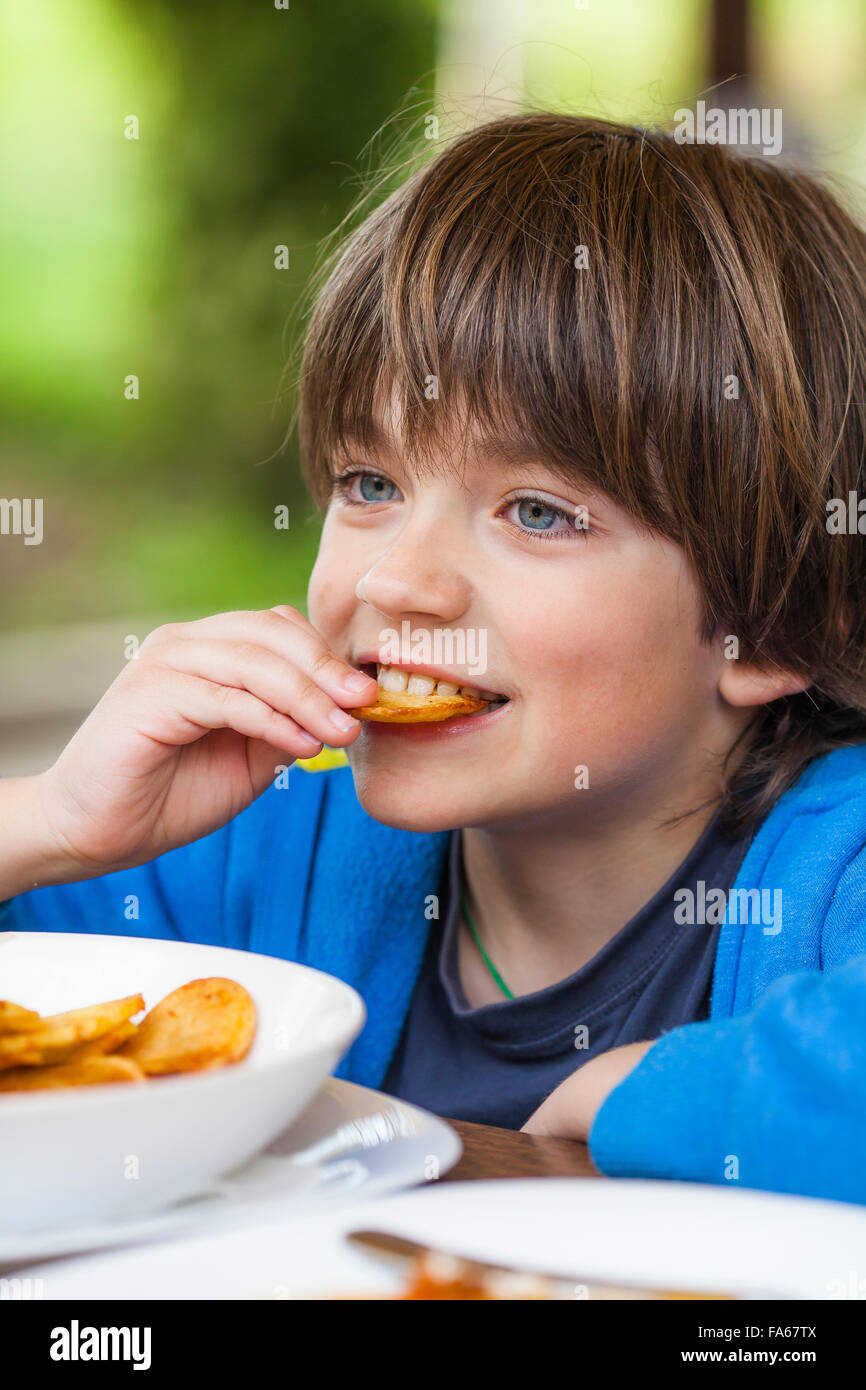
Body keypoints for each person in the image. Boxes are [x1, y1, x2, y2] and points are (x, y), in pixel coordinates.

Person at [4, 114, 866, 1203]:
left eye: (538, 512)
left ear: (781, 625)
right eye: (370, 484)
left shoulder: (832, 863)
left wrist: (638, 1095)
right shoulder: (266, 848)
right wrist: (49, 824)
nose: (396, 582)